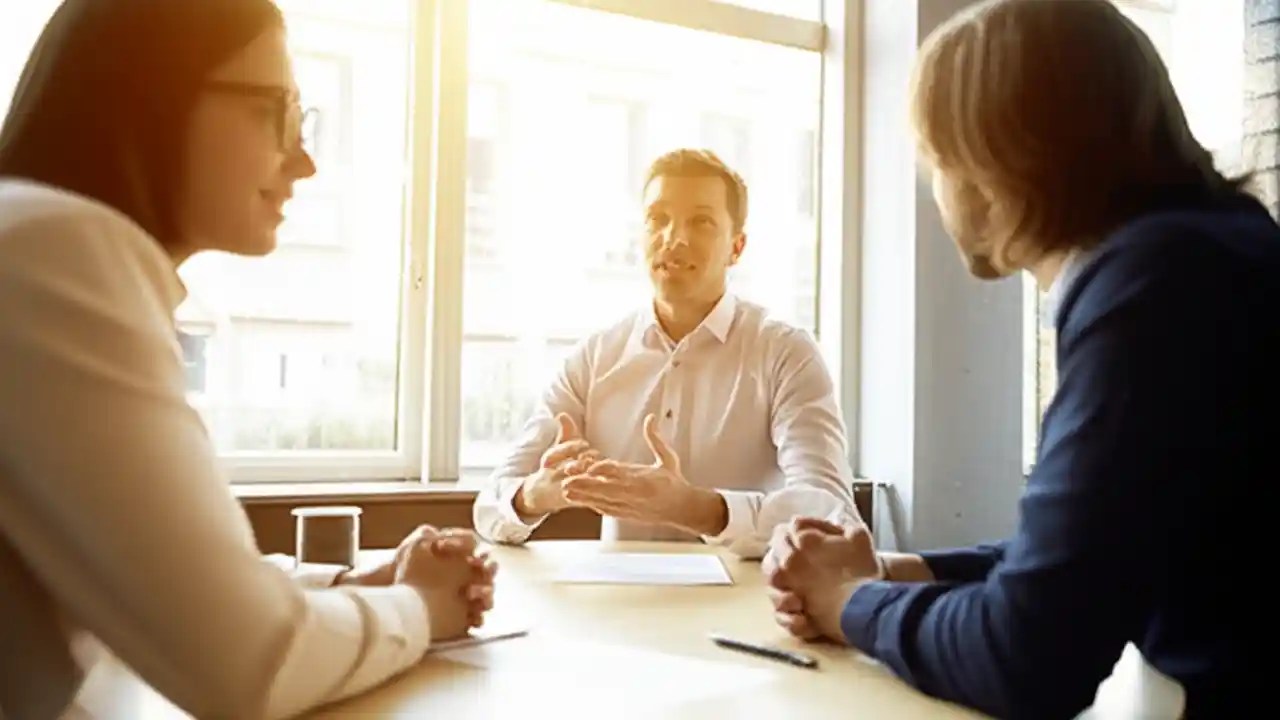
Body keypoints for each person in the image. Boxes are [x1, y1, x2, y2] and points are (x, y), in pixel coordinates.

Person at [764, 1, 1272, 718]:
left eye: (934, 158)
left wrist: (846, 602)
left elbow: (1028, 657)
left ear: (993, 163)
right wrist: (896, 573)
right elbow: (1099, 549)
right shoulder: (1219, 253)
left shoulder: (1151, 288)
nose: (932, 187)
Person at [0, 1, 495, 718]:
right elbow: (250, 663)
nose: (304, 158)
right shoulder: (57, 251)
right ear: (151, 95)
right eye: (278, 111)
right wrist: (419, 607)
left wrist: (356, 585)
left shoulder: (33, 239)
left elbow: (151, 574)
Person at [472, 149, 861, 559]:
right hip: (619, 609)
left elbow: (833, 515)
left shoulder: (786, 353)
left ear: (737, 247)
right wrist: (534, 495)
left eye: (702, 222)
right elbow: (489, 508)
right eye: (657, 219)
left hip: (746, 610)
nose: (674, 238)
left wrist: (697, 508)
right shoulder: (595, 358)